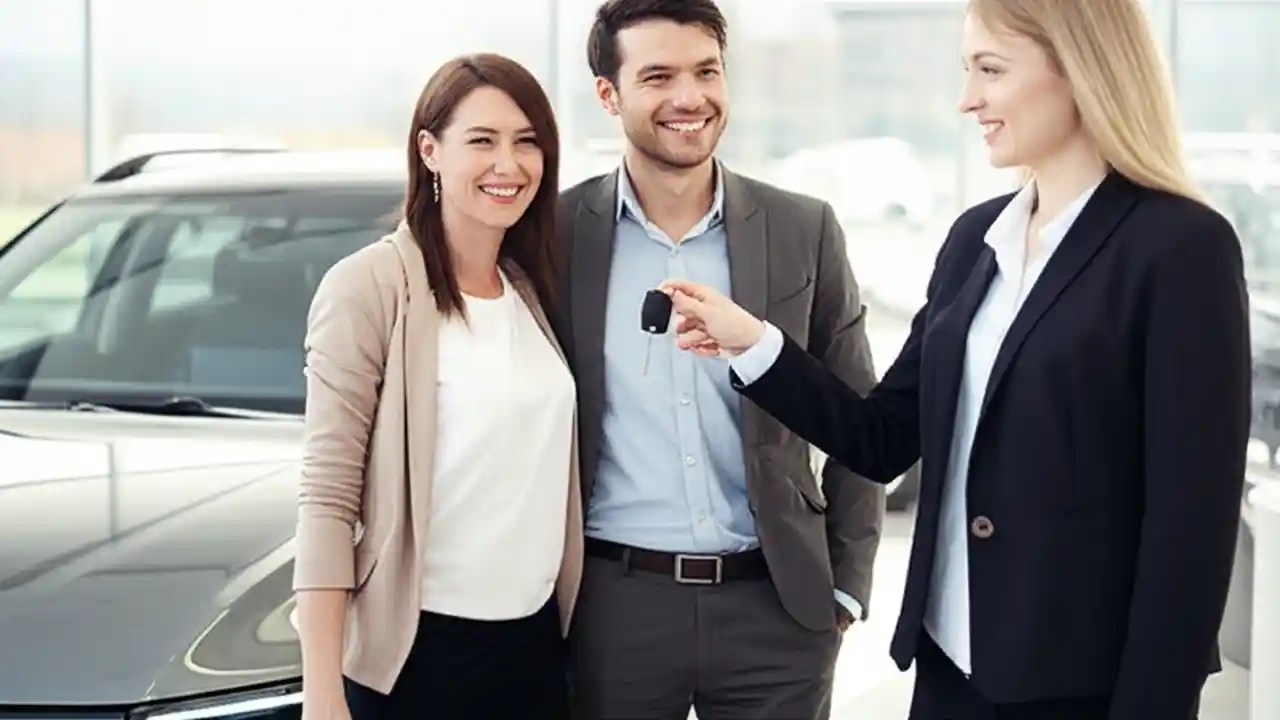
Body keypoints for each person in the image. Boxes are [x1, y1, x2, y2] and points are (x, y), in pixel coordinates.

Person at [660, 1, 1251, 718]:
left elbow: (1189, 527)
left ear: (1079, 69)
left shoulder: (1180, 247)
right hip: (950, 670)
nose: (967, 98)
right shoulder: (976, 241)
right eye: (967, 70)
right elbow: (881, 439)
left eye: (990, 70)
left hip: (1082, 686)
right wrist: (752, 343)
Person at [553, 1, 885, 717]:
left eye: (707, 71)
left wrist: (845, 586)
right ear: (609, 94)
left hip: (780, 607)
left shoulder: (804, 229)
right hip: (613, 610)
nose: (689, 97)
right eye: (659, 75)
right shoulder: (554, 236)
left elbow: (861, 420)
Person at [292, 54, 581, 720]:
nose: (508, 165)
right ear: (429, 150)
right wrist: (322, 692)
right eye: (482, 140)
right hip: (419, 657)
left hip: (534, 648)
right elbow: (327, 498)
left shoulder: (529, 292)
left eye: (527, 141)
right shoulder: (368, 287)